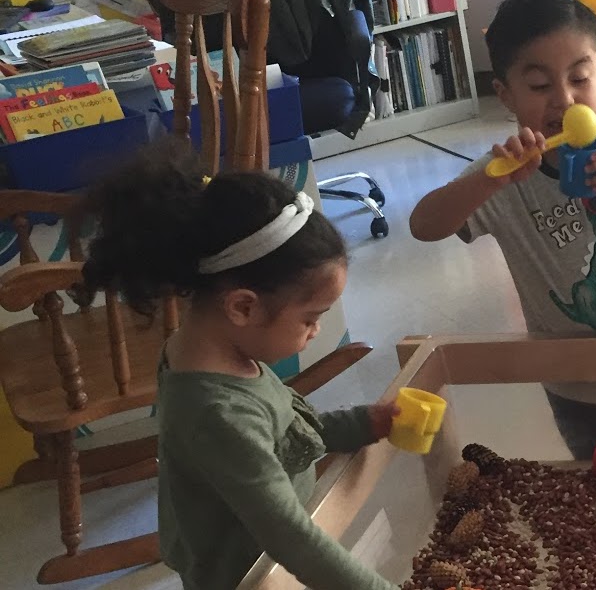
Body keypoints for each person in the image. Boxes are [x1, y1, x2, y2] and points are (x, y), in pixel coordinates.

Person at [409, 0, 596, 460]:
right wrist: (490, 181)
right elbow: (424, 225)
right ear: (506, 94)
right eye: (539, 86)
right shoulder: (503, 174)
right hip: (577, 385)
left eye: (580, 78)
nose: (564, 100)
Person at [80, 141, 397, 590]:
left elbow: (283, 434)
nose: (316, 332)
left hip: (273, 554)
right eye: (310, 319)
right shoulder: (218, 415)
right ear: (243, 307)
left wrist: (360, 423)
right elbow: (291, 540)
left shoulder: (215, 352)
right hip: (248, 574)